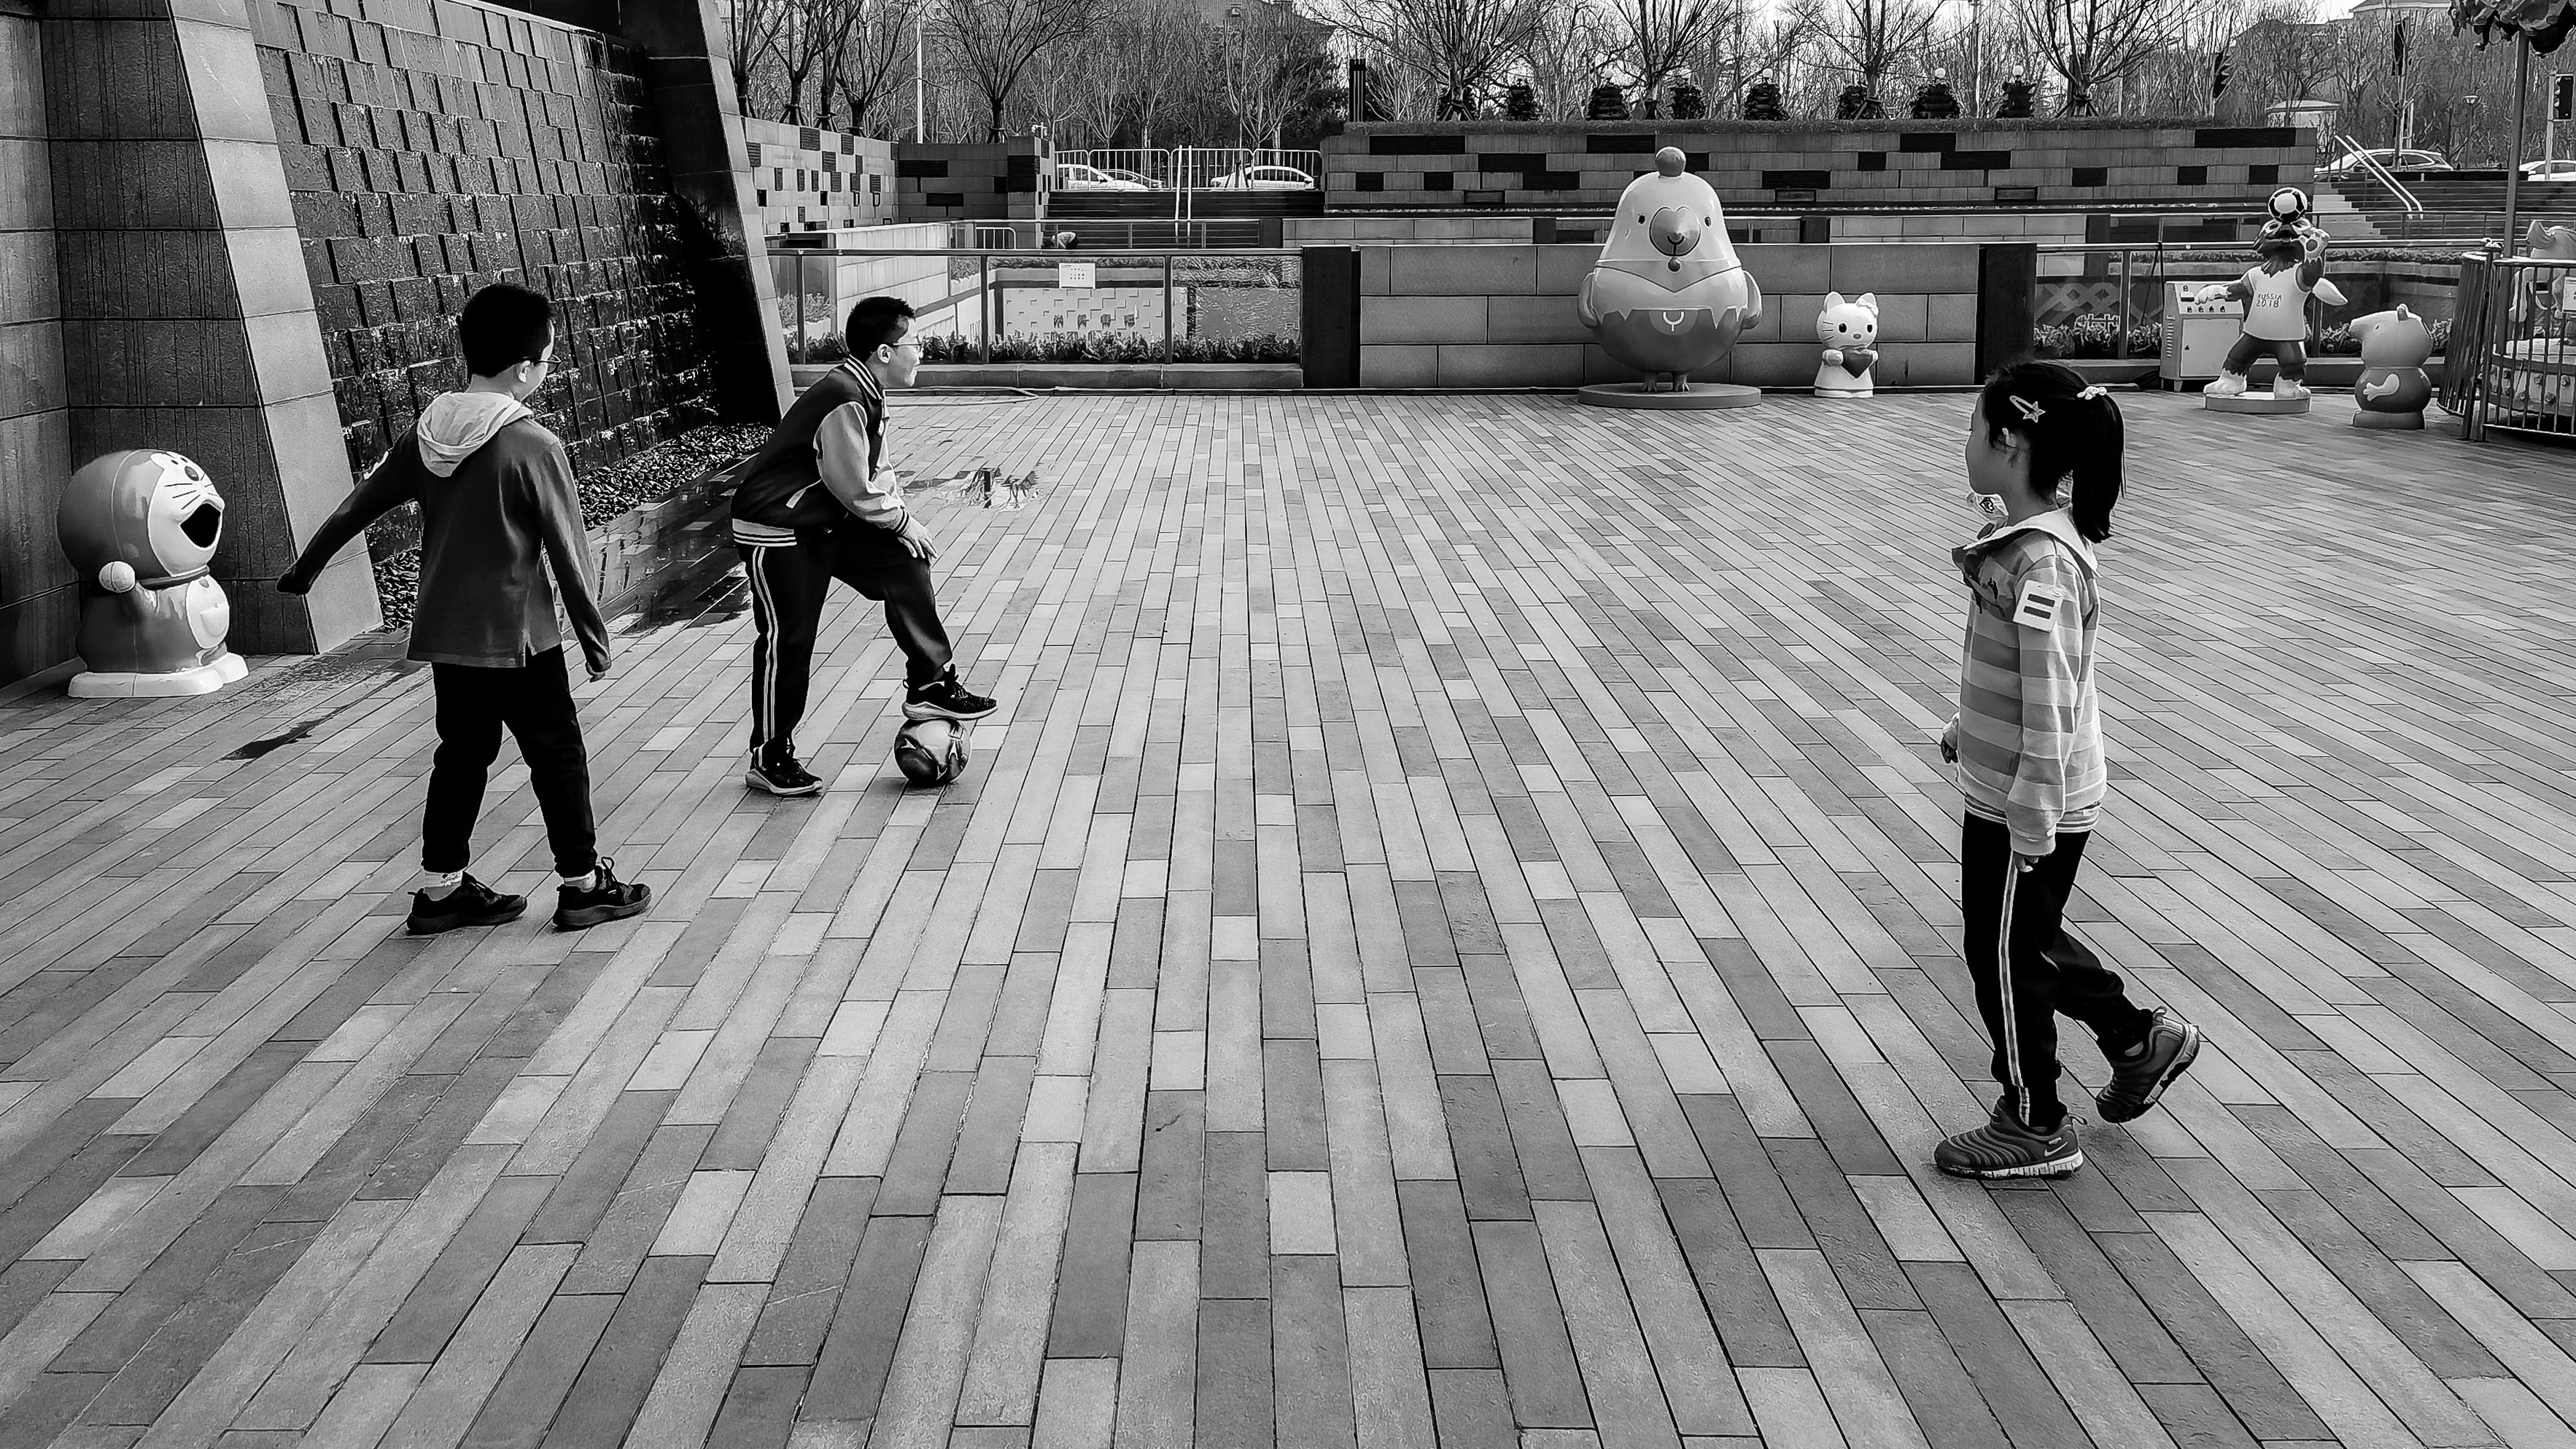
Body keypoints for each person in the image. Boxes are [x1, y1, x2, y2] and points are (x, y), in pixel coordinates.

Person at [280, 283, 651, 936]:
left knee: (461, 754)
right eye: (547, 360)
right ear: (525, 369)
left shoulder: (426, 433)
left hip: (447, 634)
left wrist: (304, 570)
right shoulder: (532, 445)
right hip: (520, 638)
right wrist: (595, 641)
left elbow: (358, 506)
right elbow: (569, 551)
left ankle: (441, 889)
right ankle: (583, 884)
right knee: (556, 753)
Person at [1933, 362, 2200, 1180]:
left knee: (2004, 955)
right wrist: (1970, 726)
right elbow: (2025, 675)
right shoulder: (2023, 542)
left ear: (2010, 442)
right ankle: (2136, 1038)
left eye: (1974, 427)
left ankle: (2036, 1119)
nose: (1966, 441)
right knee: (2020, 938)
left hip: (2029, 796)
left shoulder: (2043, 563)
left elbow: (2051, 696)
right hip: (2012, 782)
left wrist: (2031, 811)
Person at [725, 295, 996, 795]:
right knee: (789, 641)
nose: (922, 353)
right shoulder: (845, 396)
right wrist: (899, 520)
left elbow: (878, 473)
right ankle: (770, 757)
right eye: (916, 344)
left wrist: (900, 524)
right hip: (779, 528)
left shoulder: (869, 390)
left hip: (826, 519)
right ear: (885, 352)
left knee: (904, 559)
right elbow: (850, 483)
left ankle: (930, 683)